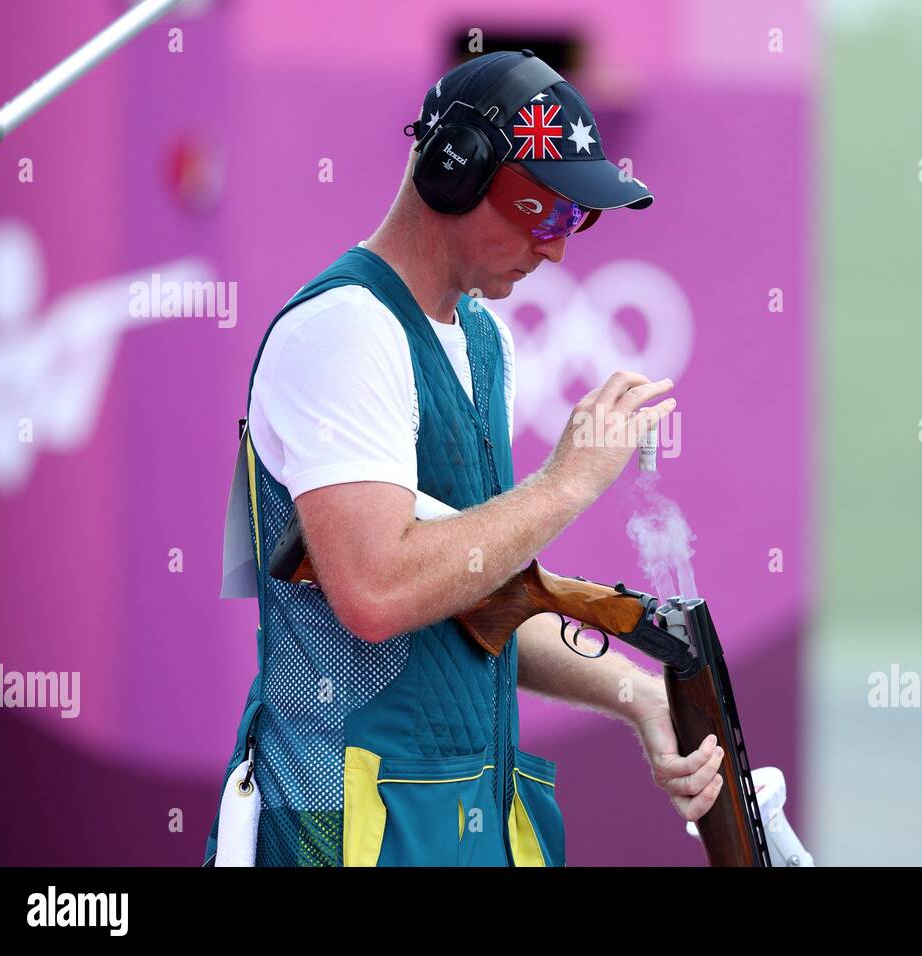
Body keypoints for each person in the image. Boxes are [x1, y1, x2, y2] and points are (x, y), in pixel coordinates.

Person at [204, 49, 723, 867]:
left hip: (454, 822)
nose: (558, 249)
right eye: (547, 213)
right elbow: (376, 592)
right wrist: (567, 483)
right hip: (347, 830)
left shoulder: (483, 341)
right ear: (457, 174)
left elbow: (484, 601)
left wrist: (641, 697)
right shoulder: (345, 331)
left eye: (575, 222)